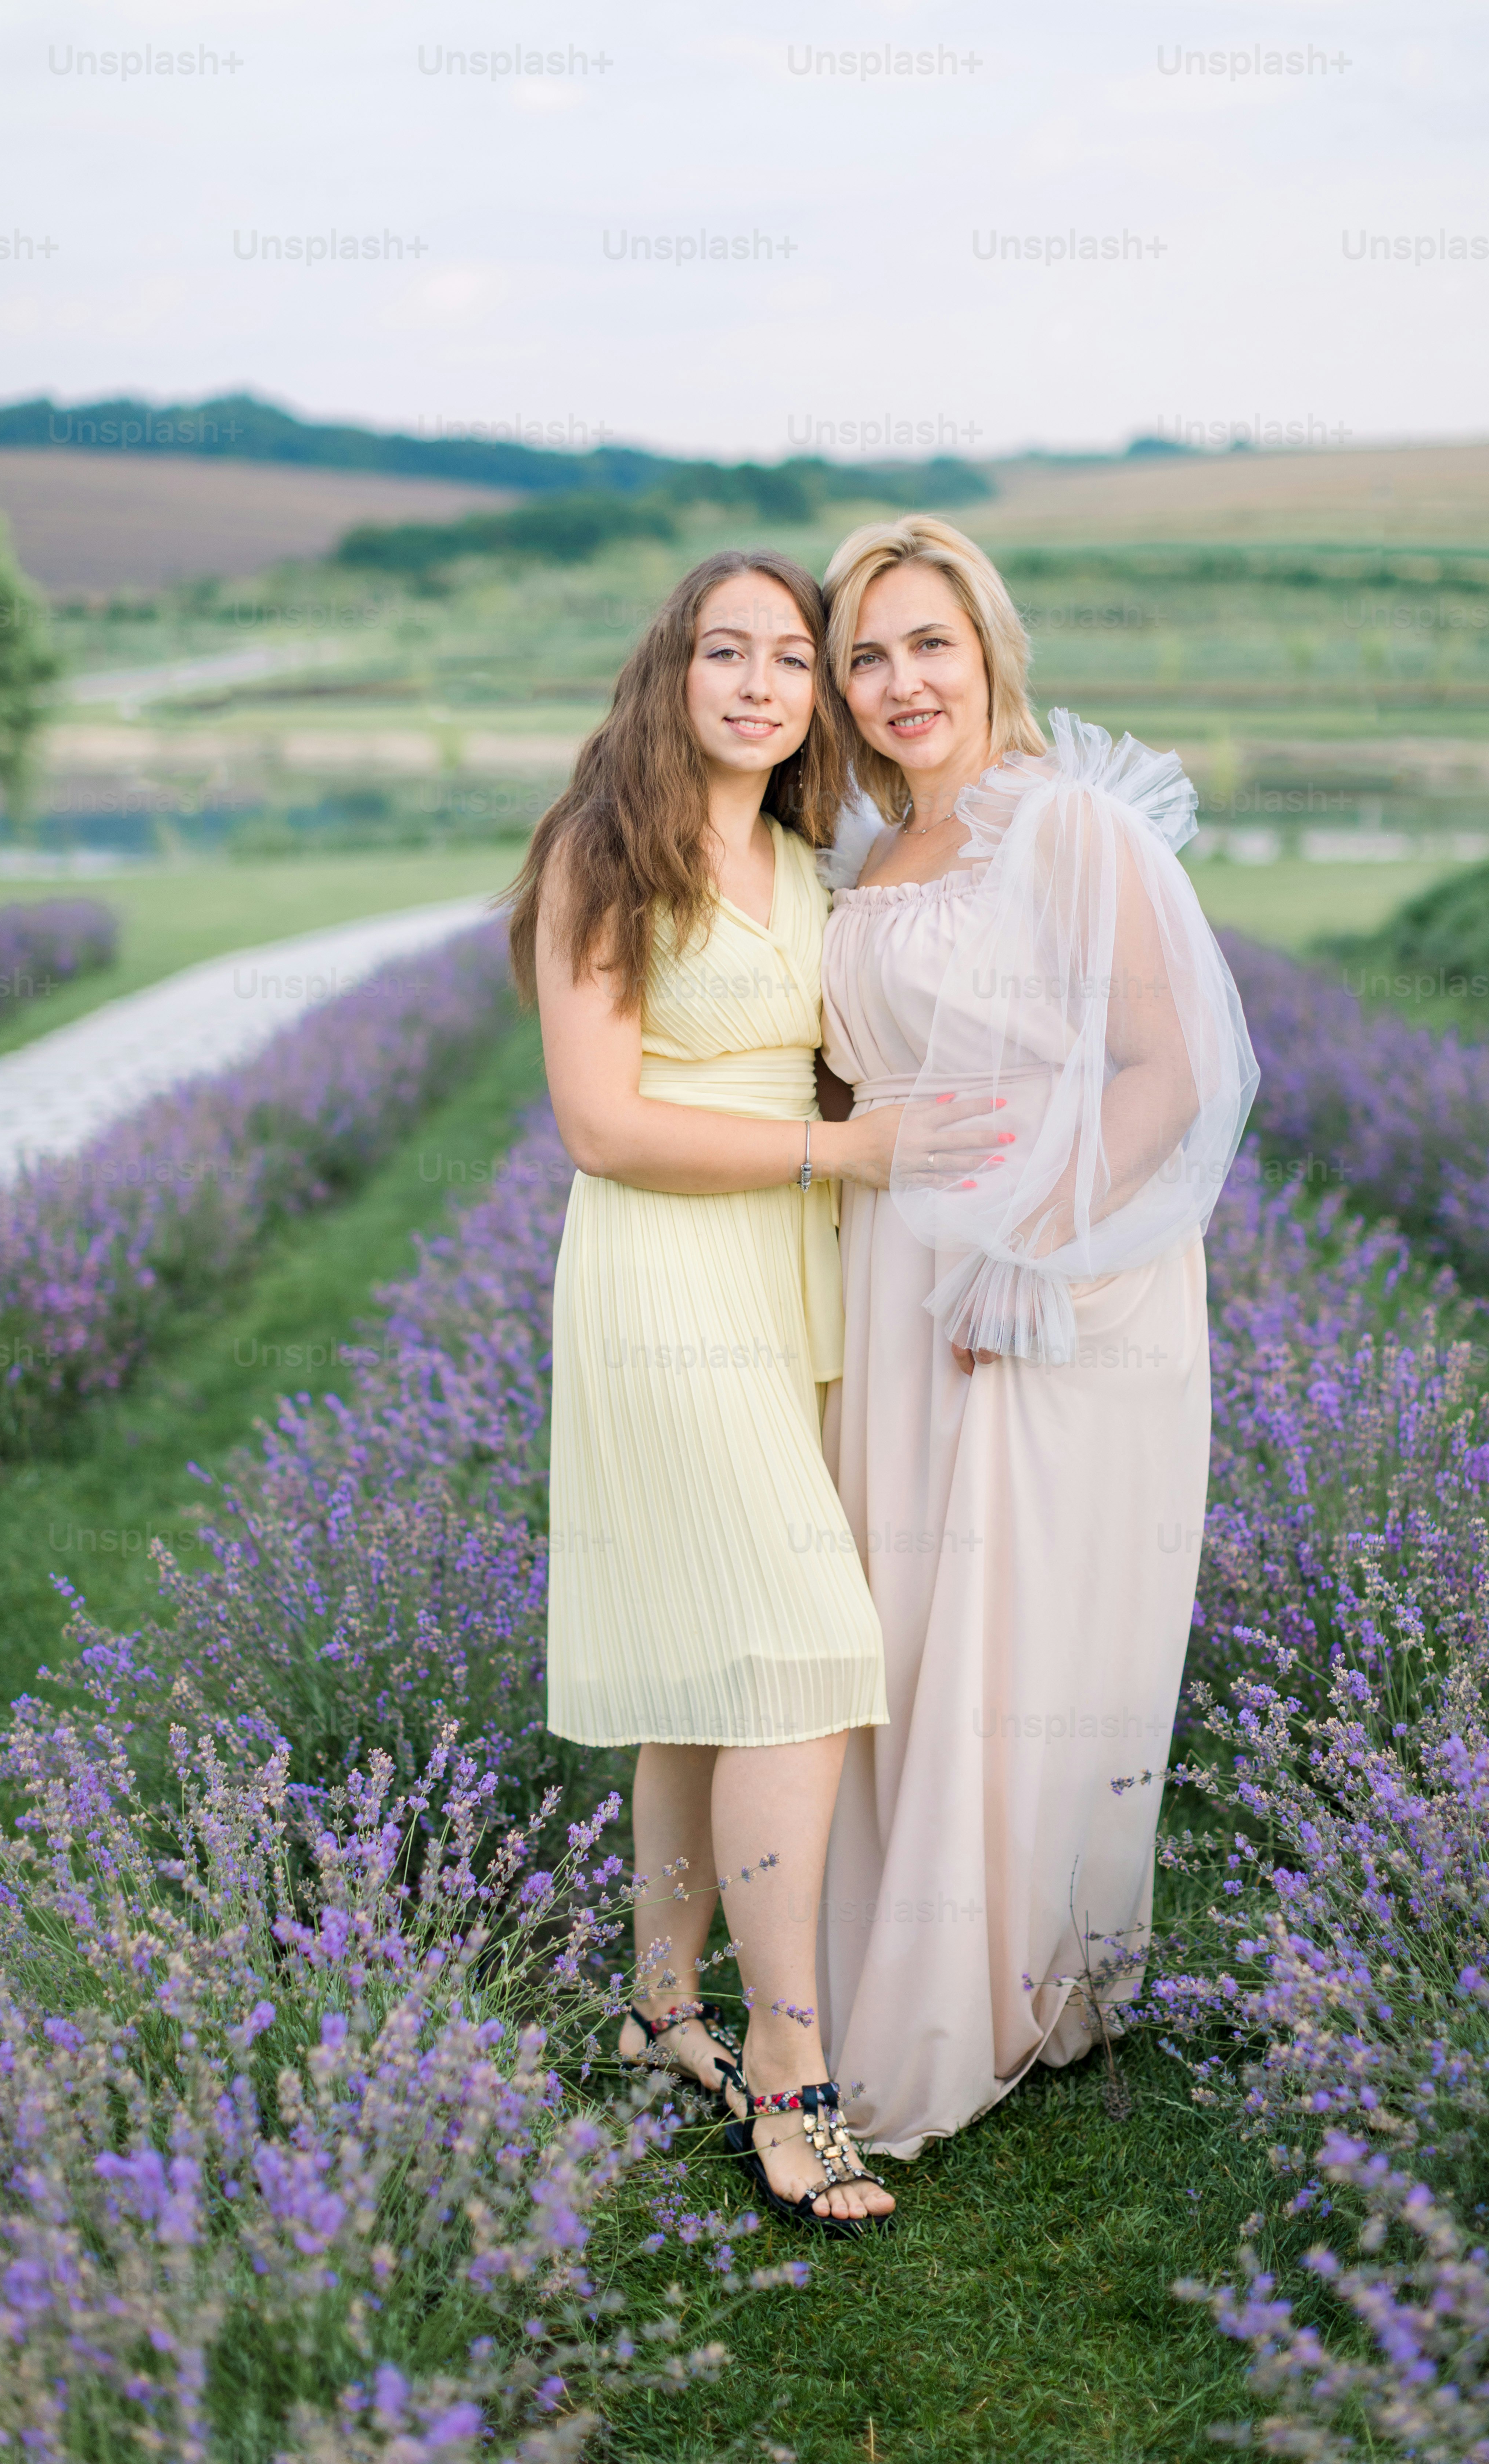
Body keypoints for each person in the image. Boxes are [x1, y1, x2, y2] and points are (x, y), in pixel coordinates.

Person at [509, 549, 993, 2230]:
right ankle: (789, 2083)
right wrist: (834, 1149)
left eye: (794, 660)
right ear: (674, 670)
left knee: (701, 1683)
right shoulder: (602, 851)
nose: (762, 684)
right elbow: (599, 1123)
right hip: (660, 1281)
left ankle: (659, 2010)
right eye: (730, 651)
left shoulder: (806, 861)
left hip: (795, 1287)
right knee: (801, 1654)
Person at [812, 516, 1258, 2158]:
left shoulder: (1061, 827)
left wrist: (1030, 1253)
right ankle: (913, 1957)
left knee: (1008, 1625)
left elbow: (1172, 1072)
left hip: (1039, 1274)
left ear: (988, 646)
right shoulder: (871, 855)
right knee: (906, 1620)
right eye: (865, 655)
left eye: (927, 643)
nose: (898, 681)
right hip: (886, 1266)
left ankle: (983, 1994)